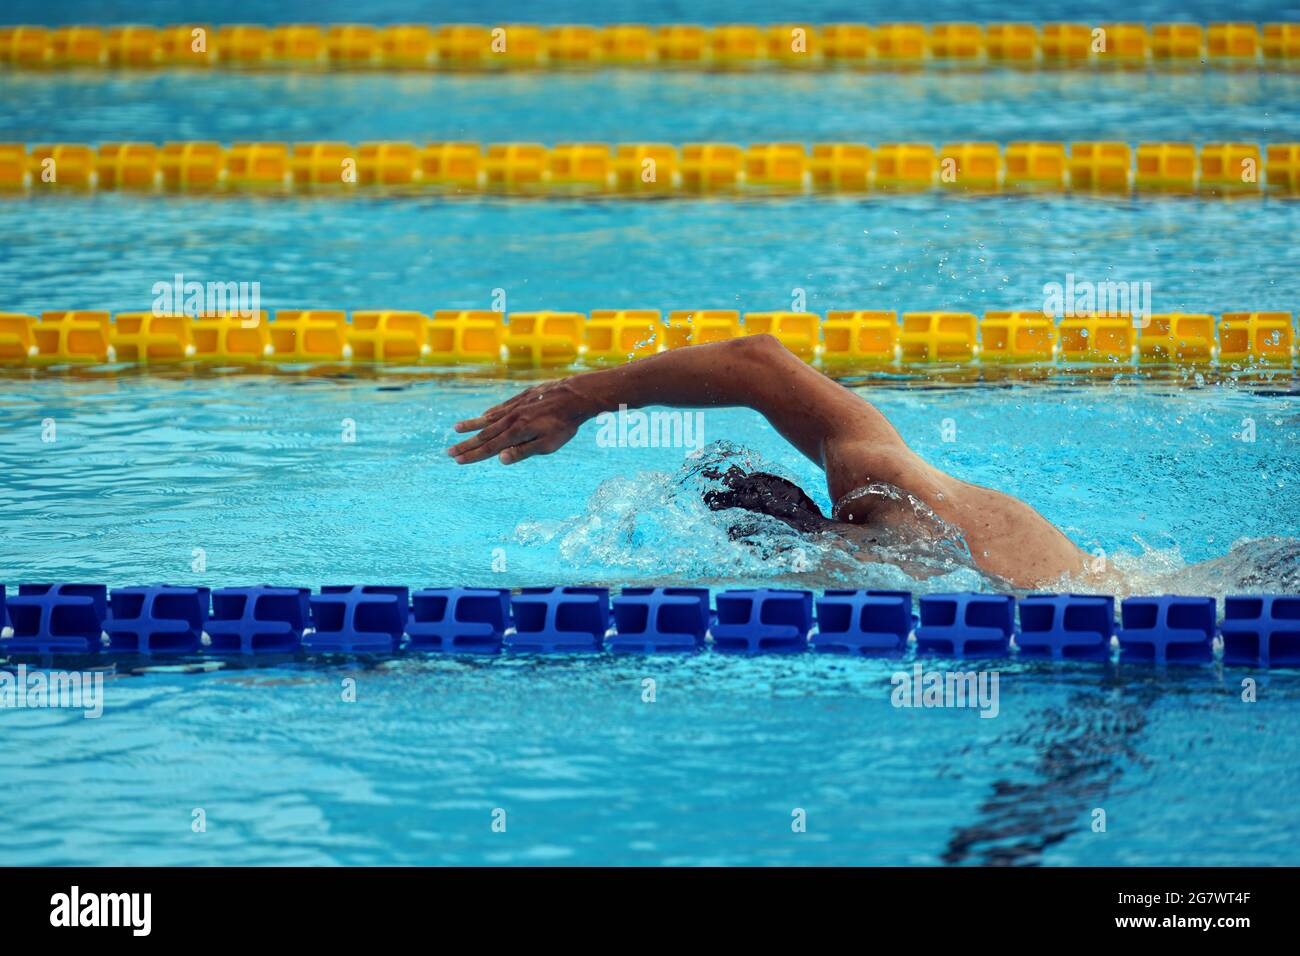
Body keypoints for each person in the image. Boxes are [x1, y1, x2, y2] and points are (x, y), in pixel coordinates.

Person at [447, 334, 1092, 589]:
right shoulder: (890, 485)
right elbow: (760, 362)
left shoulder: (837, 573)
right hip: (1153, 601)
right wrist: (579, 398)